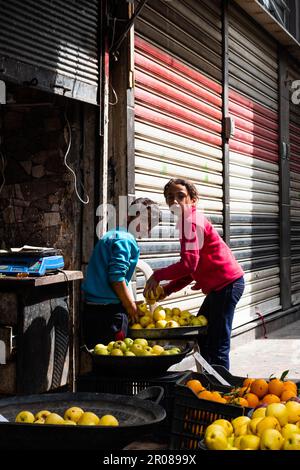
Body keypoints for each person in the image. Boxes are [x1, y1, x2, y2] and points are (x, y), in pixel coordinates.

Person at [144, 178, 245, 370]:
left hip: (227, 285)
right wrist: (168, 290)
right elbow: (193, 269)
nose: (175, 201)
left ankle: (222, 390)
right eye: (170, 197)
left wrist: (158, 275)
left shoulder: (190, 221)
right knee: (204, 336)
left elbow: (189, 265)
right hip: (223, 287)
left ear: (193, 199)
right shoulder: (189, 220)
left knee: (217, 343)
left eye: (181, 196)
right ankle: (210, 382)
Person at [82, 197, 159, 348]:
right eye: (145, 221)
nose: (148, 228)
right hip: (109, 314)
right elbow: (116, 277)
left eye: (152, 225)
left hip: (92, 309)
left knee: (99, 359)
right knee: (116, 362)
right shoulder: (125, 240)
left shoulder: (113, 234)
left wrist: (128, 301)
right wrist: (130, 307)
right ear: (131, 216)